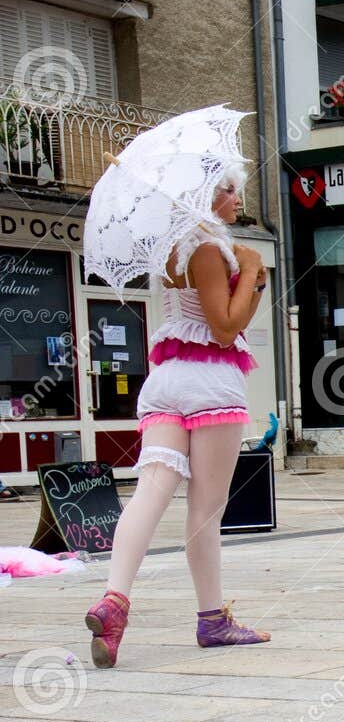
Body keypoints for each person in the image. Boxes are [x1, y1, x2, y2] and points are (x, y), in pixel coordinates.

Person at [84, 170, 270, 668]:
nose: (238, 198)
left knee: (151, 491)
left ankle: (114, 599)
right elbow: (226, 329)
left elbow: (229, 316)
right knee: (205, 509)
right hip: (209, 383)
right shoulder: (208, 248)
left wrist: (251, 281)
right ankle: (212, 619)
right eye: (228, 189)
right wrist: (250, 270)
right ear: (202, 195)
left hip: (166, 380)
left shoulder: (170, 248)